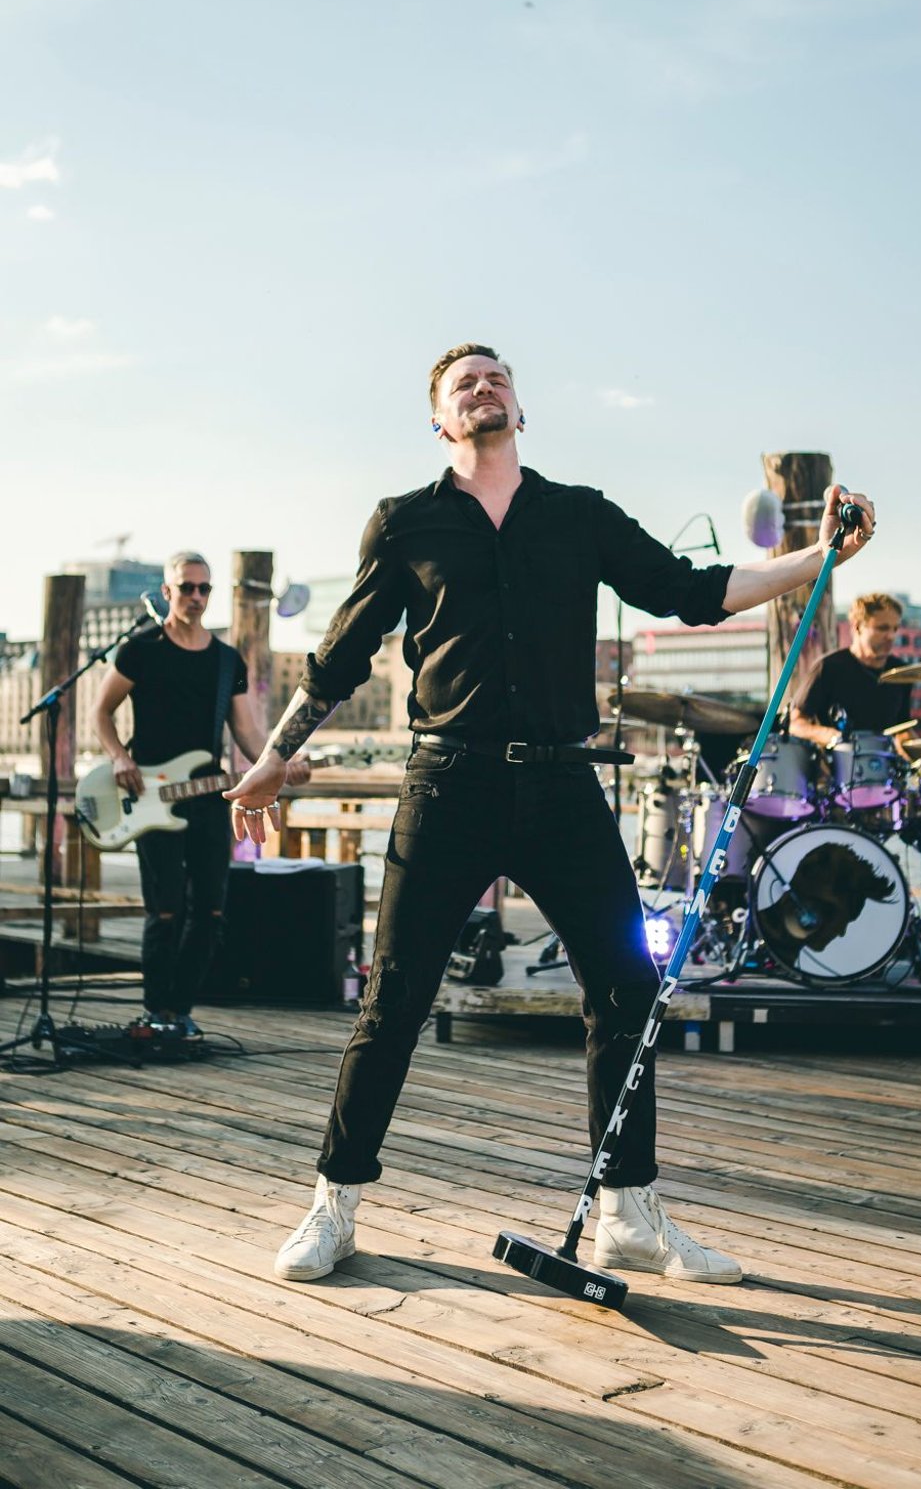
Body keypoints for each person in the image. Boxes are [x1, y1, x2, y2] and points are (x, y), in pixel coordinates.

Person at [227, 343, 876, 1286]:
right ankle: (335, 1204)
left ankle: (630, 1217)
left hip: (564, 789)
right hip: (447, 784)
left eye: (498, 378)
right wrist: (274, 759)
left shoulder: (578, 516)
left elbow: (695, 592)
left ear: (519, 410)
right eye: (463, 385)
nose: (484, 389)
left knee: (627, 988)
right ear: (440, 421)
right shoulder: (405, 524)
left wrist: (824, 557)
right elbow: (337, 658)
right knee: (394, 1000)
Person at [94, 551, 309, 1036]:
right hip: (149, 795)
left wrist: (280, 765)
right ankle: (155, 1012)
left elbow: (249, 736)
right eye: (186, 587)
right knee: (165, 909)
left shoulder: (225, 661)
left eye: (204, 589)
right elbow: (101, 712)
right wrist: (119, 757)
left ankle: (181, 1011)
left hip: (209, 794)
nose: (195, 597)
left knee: (210, 910)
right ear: (167, 591)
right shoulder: (140, 650)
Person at [789, 592, 921, 915]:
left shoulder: (901, 673)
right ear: (858, 626)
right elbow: (796, 723)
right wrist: (829, 736)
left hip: (888, 787)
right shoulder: (830, 668)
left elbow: (902, 730)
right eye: (882, 628)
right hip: (834, 787)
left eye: (894, 629)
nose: (891, 636)